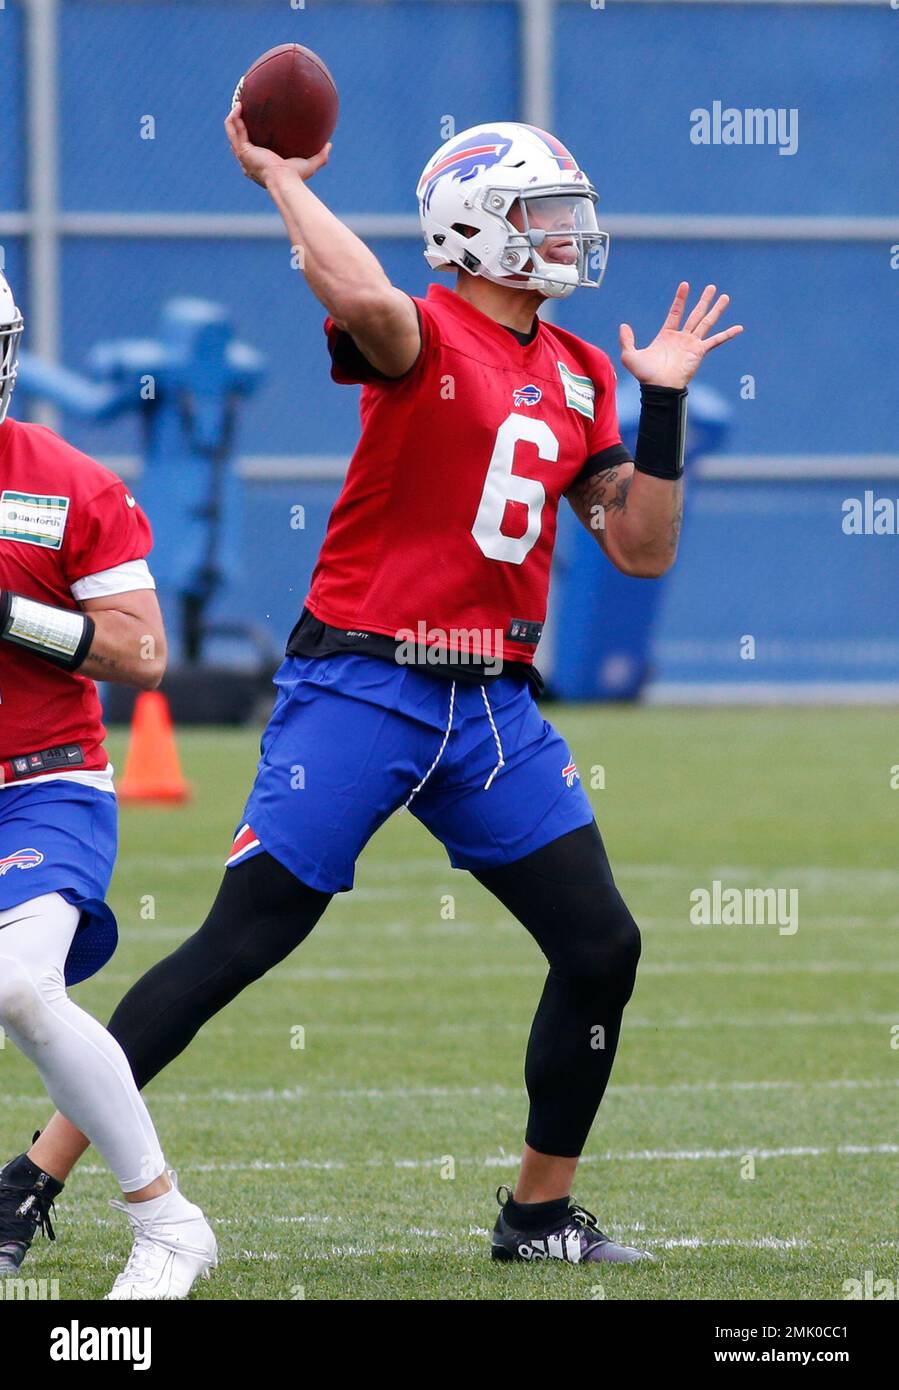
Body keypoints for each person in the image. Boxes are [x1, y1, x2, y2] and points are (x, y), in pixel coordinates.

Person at [6, 117, 741, 1269]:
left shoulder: (582, 369)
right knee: (243, 937)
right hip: (365, 680)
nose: (565, 234)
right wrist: (284, 184)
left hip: (492, 702)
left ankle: (536, 1218)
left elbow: (639, 548)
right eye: (540, 212)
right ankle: (28, 1181)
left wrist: (661, 405)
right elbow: (361, 295)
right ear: (472, 227)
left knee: (600, 945)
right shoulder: (421, 335)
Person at [0, 270, 217, 1297]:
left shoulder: (62, 482)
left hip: (42, 786)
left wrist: (8, 612)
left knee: (17, 983)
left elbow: (143, 654)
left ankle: (166, 1219)